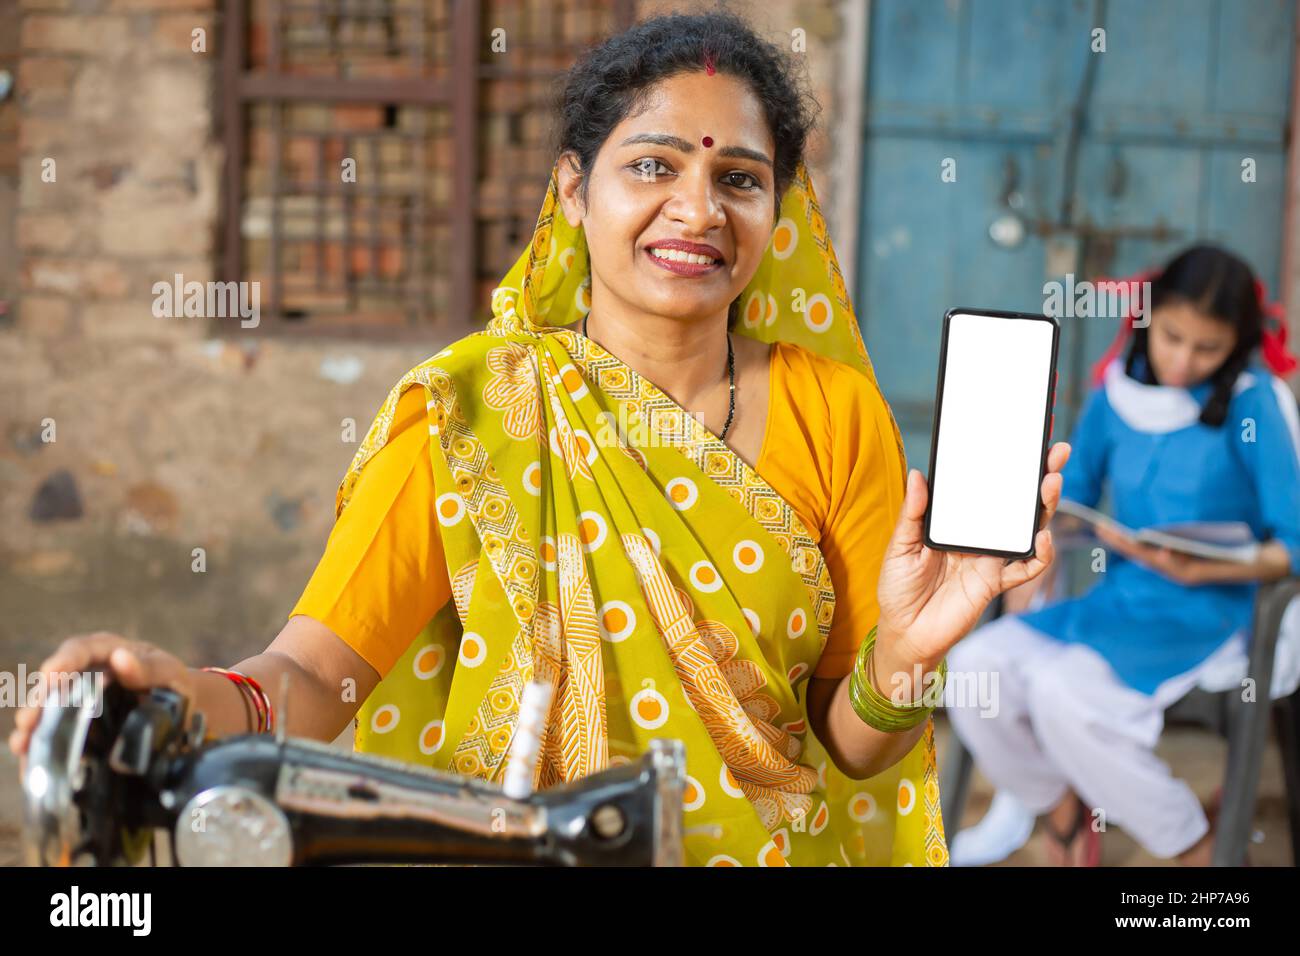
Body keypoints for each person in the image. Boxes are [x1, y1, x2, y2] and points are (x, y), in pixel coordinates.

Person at [10, 11, 1069, 867]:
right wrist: (185, 692)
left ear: (779, 212)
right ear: (573, 190)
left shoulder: (835, 413)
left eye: (739, 179)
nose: (697, 207)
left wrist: (908, 654)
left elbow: (848, 743)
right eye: (652, 165)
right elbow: (316, 671)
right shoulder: (472, 410)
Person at [944, 244, 1300, 866]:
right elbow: (1072, 497)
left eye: (1207, 348)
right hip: (1124, 599)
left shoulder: (1254, 402)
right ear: (1147, 319)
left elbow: (1290, 545)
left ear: (1237, 345)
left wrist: (1207, 567)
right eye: (1172, 337)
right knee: (976, 668)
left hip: (1213, 612)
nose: (1184, 361)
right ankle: (1062, 816)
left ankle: (1195, 845)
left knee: (1062, 694)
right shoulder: (1115, 397)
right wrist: (1041, 546)